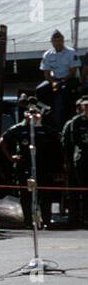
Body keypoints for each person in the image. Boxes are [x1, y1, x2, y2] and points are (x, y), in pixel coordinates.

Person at [0, 97, 57, 230]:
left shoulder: (45, 129)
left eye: (35, 113)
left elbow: (57, 141)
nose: (33, 116)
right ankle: (28, 221)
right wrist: (11, 157)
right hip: (24, 165)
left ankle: (46, 220)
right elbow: (2, 140)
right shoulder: (19, 128)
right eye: (30, 113)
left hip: (42, 165)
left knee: (44, 194)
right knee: (26, 195)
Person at [36, 30, 81, 129]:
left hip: (68, 79)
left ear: (63, 41)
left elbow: (73, 71)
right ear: (51, 42)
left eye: (60, 40)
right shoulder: (47, 54)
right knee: (40, 89)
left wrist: (61, 81)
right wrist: (53, 82)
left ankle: (67, 114)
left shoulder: (71, 52)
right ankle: (45, 110)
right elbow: (46, 73)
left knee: (64, 90)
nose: (58, 43)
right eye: (55, 41)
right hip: (54, 79)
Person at [61, 97, 88, 228]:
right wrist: (67, 162)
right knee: (76, 190)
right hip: (79, 160)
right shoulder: (73, 123)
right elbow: (68, 144)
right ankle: (75, 217)